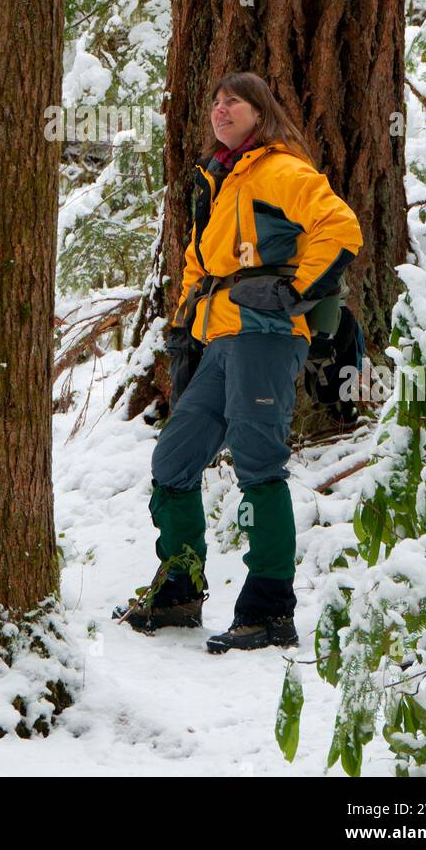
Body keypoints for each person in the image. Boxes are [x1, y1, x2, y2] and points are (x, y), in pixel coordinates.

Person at [114, 71, 364, 653]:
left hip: (266, 337)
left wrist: (293, 291)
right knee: (173, 462)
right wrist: (183, 335)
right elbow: (200, 268)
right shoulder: (219, 180)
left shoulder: (280, 169)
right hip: (219, 341)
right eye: (216, 102)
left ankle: (269, 608)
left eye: (235, 101)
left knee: (258, 464)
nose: (221, 109)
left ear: (261, 114)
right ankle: (180, 590)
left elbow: (340, 226)